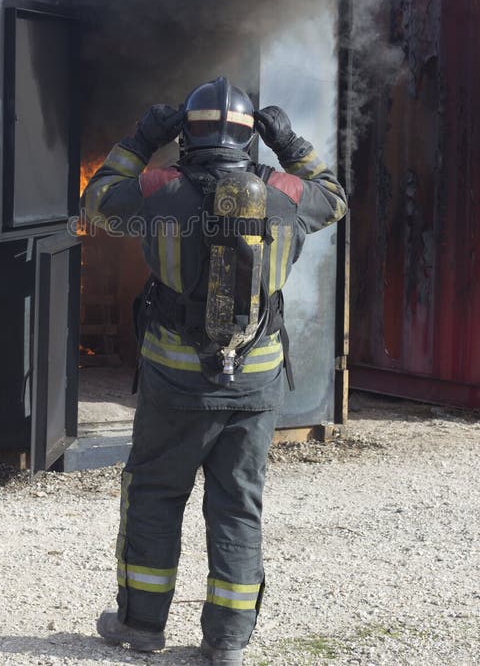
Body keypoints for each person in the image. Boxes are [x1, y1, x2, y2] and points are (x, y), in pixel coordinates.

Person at [83, 76, 347, 664]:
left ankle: (142, 626)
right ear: (250, 135)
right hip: (256, 385)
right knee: (237, 504)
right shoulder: (283, 193)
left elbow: (98, 200)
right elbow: (333, 194)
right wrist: (289, 142)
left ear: (187, 133)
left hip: (174, 382)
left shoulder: (158, 189)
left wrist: (142, 135)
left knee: (154, 494)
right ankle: (226, 643)